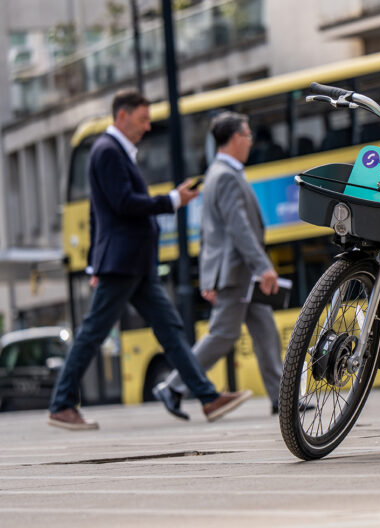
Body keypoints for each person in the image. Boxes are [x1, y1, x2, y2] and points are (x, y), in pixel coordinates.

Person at [48, 90, 252, 431]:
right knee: (93, 332)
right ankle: (61, 404)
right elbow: (124, 204)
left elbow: (99, 212)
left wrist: (94, 262)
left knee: (170, 329)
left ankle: (207, 397)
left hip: (132, 263)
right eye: (143, 119)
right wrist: (172, 199)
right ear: (122, 115)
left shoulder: (117, 152)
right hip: (123, 261)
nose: (147, 126)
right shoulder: (108, 151)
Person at [152, 111, 304, 419]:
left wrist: (209, 279)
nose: (250, 142)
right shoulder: (225, 176)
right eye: (247, 136)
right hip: (237, 272)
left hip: (237, 272)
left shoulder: (220, 174)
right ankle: (173, 385)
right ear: (235, 139)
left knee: (265, 333)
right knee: (222, 334)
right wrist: (263, 267)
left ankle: (281, 398)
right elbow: (238, 229)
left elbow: (211, 234)